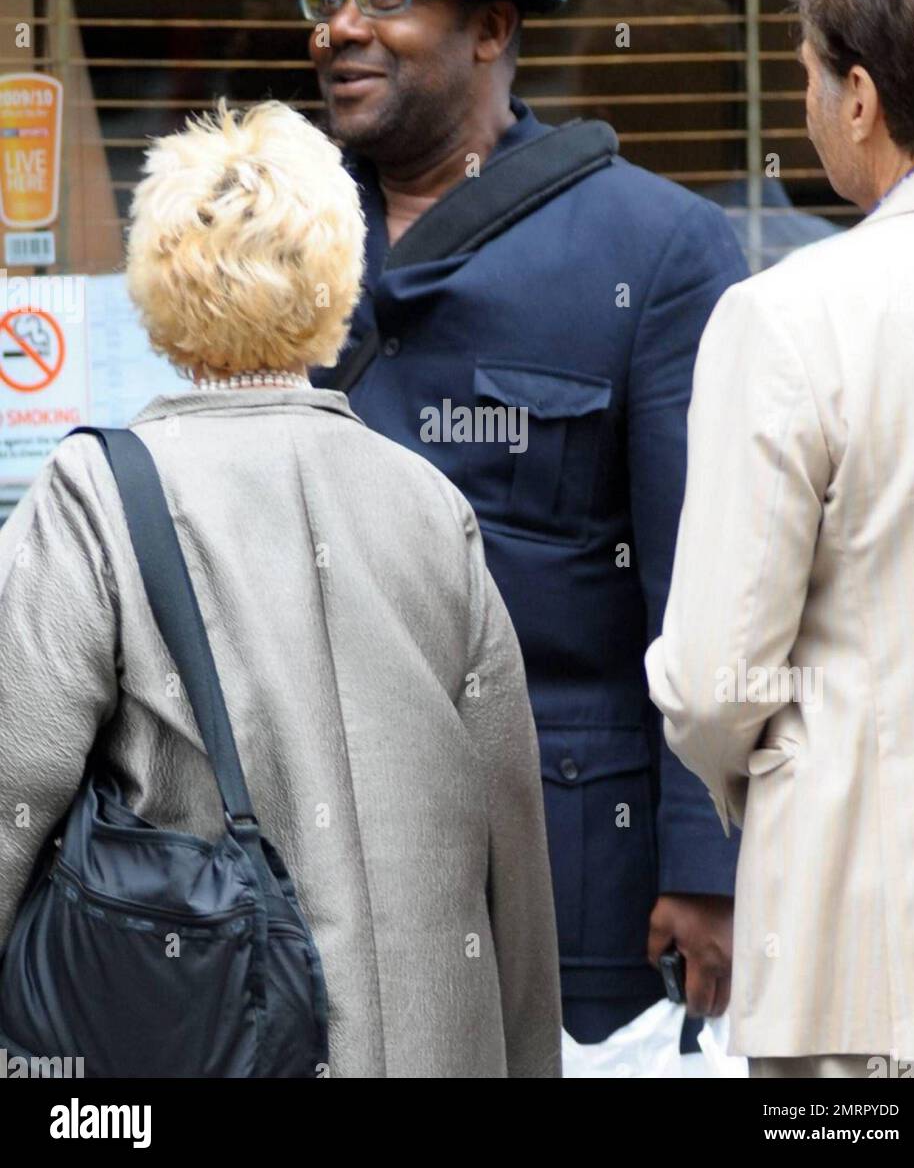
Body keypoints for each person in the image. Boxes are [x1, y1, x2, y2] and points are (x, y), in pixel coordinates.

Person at [0, 99, 562, 1079]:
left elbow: (13, 788)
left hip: (203, 1038)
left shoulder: (91, 499)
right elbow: (508, 828)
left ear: (152, 280)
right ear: (340, 282)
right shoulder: (428, 504)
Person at [291, 0, 749, 1043]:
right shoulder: (263, 233)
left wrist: (706, 863)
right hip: (295, 841)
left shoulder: (654, 251)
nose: (340, 27)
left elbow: (698, 584)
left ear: (491, 27)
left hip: (561, 852)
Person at [646, 0, 914, 1077]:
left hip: (861, 970)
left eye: (811, 78)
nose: (807, 106)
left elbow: (717, 677)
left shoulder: (787, 318)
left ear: (861, 98)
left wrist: (769, 764)